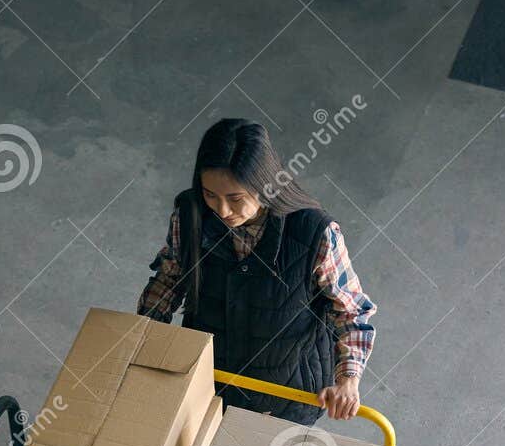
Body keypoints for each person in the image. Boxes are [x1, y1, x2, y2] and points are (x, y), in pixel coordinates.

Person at [137, 117, 375, 423]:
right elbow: (170, 278)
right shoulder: (190, 216)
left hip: (286, 398)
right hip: (207, 385)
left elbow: (351, 311)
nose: (222, 210)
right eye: (211, 195)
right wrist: (144, 337)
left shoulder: (314, 232)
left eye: (235, 198)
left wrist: (348, 381)